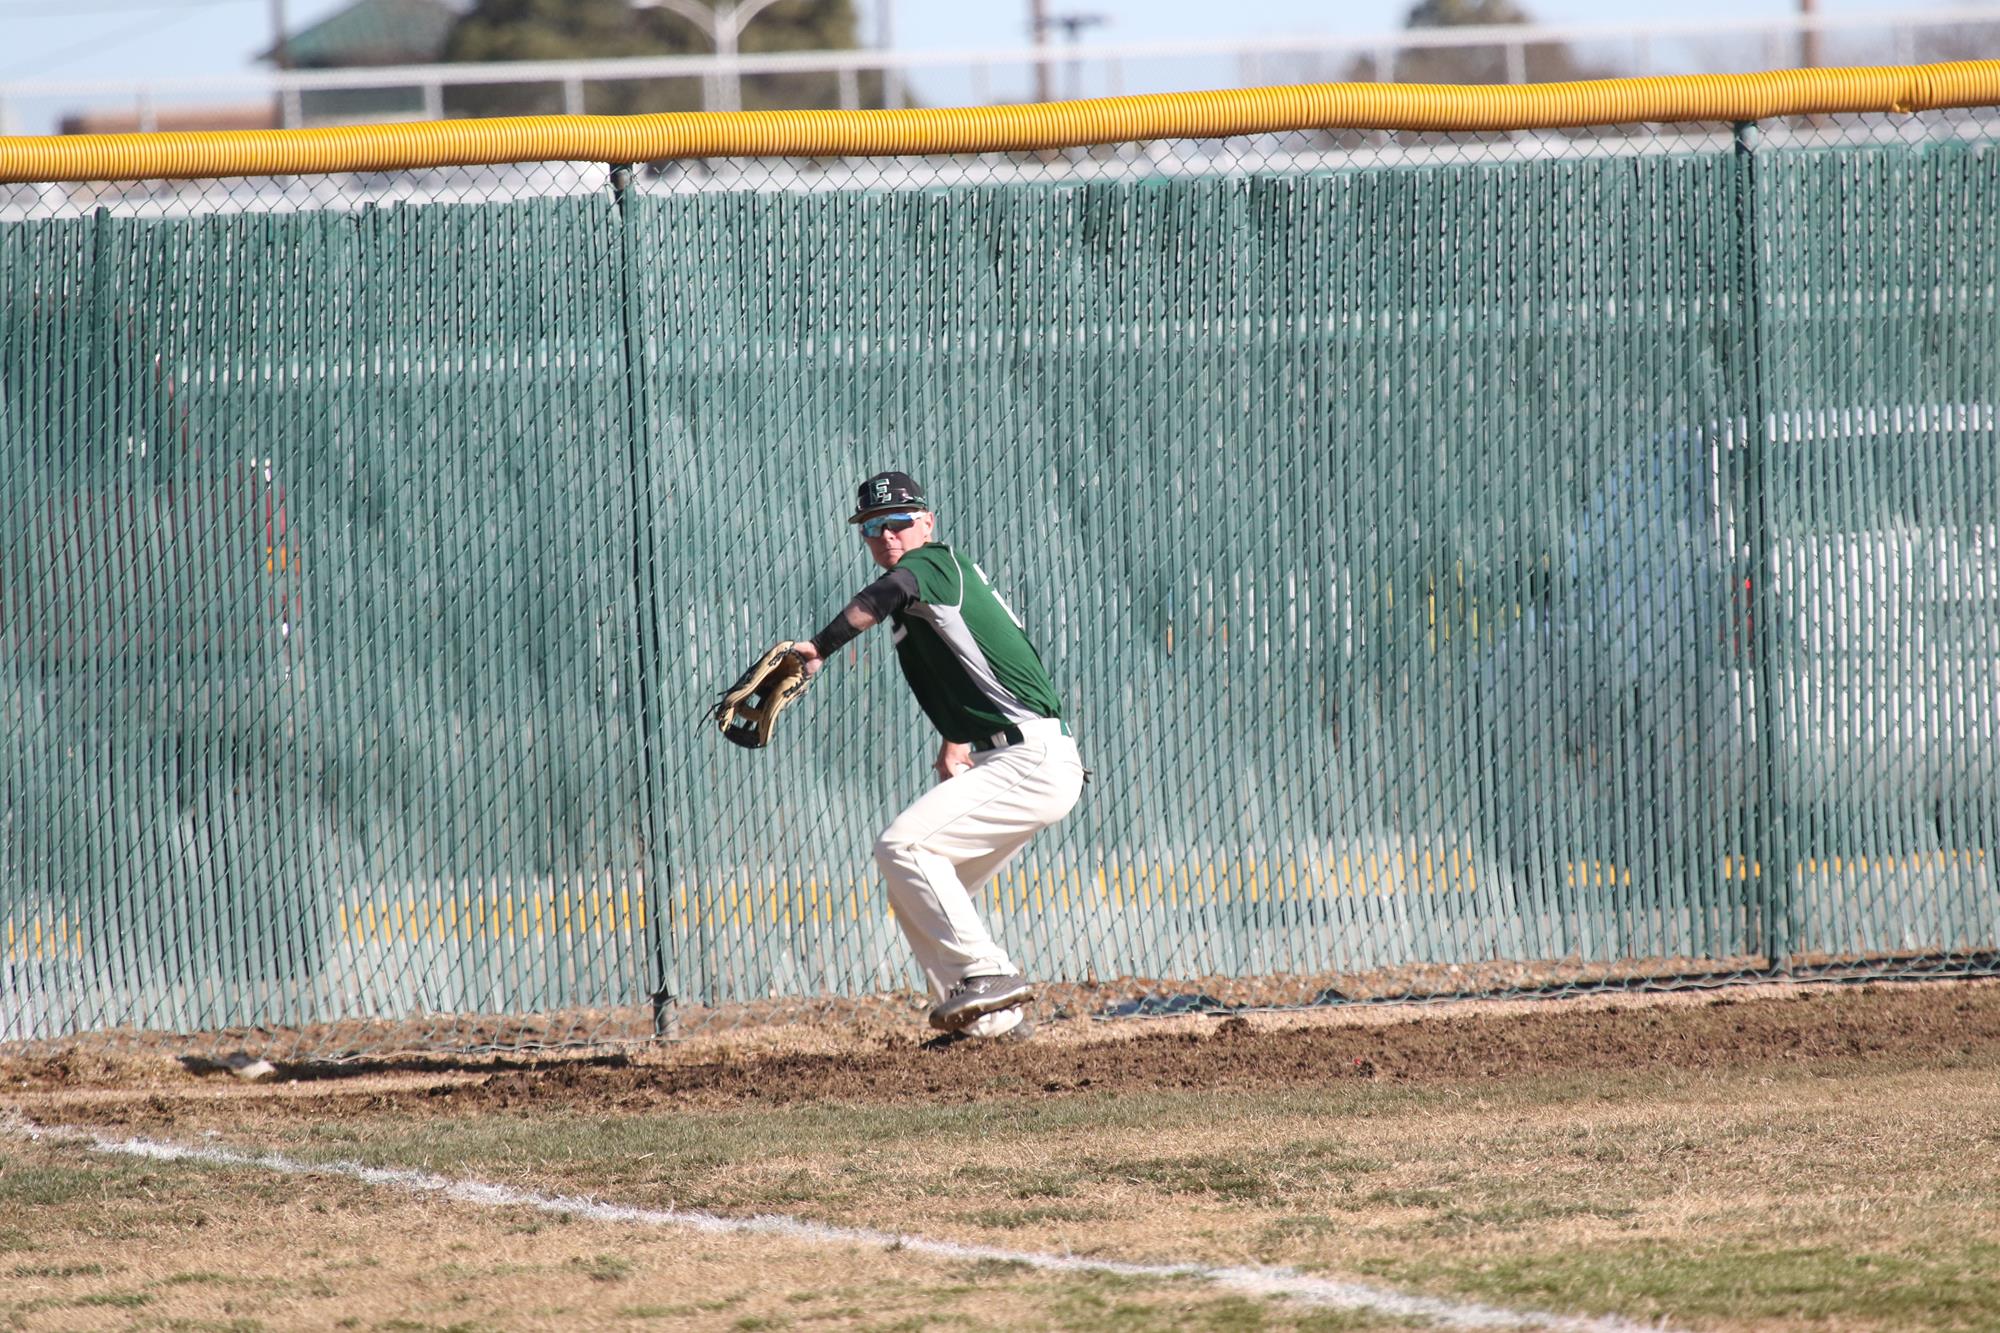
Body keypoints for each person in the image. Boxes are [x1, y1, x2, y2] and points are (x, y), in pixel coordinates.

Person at [792, 470, 1085, 1047]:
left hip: (1032, 758)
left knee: (901, 845)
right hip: (1010, 755)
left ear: (926, 521)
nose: (886, 535)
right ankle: (989, 1023)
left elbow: (881, 596)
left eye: (898, 521)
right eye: (871, 527)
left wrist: (820, 647)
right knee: (915, 889)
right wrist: (955, 741)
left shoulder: (932, 566)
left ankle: (987, 974)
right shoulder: (931, 586)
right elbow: (978, 659)